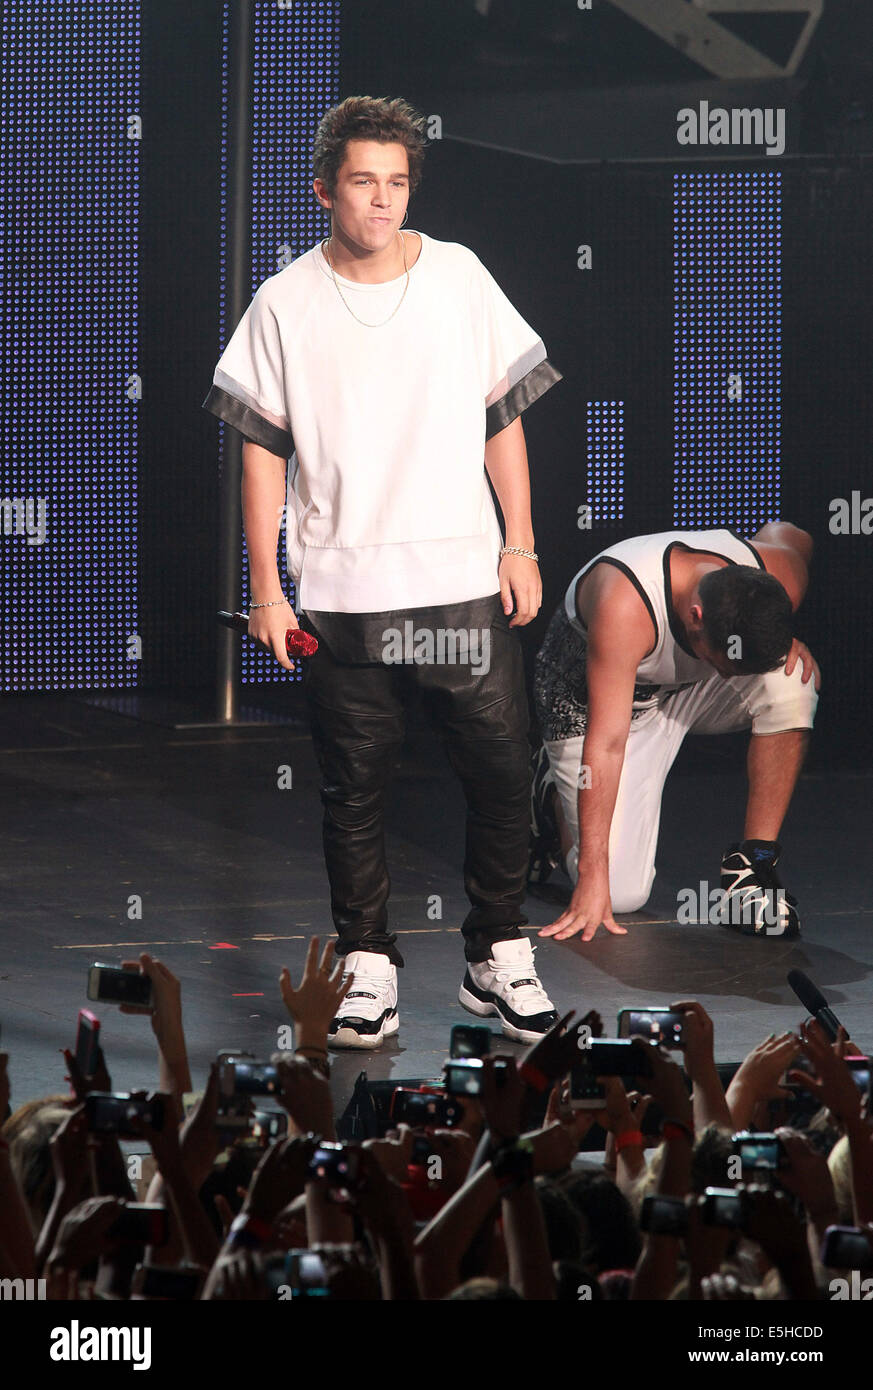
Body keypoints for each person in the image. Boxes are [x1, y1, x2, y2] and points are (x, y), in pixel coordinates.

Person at [203, 96, 563, 1047]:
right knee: (354, 789)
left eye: (396, 182)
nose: (382, 200)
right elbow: (261, 452)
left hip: (460, 579)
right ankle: (368, 963)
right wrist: (267, 589)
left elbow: (501, 416)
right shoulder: (283, 301)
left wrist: (519, 543)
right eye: (363, 182)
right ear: (324, 190)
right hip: (340, 590)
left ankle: (497, 951)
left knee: (500, 772)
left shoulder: (457, 275)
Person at [529, 523, 821, 942]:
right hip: (591, 709)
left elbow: (793, 535)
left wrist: (775, 632)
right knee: (620, 892)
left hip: (680, 692)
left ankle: (752, 868)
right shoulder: (625, 604)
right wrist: (592, 872)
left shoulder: (778, 574)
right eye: (723, 664)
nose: (729, 677)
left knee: (794, 682)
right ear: (695, 616)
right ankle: (552, 794)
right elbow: (607, 745)